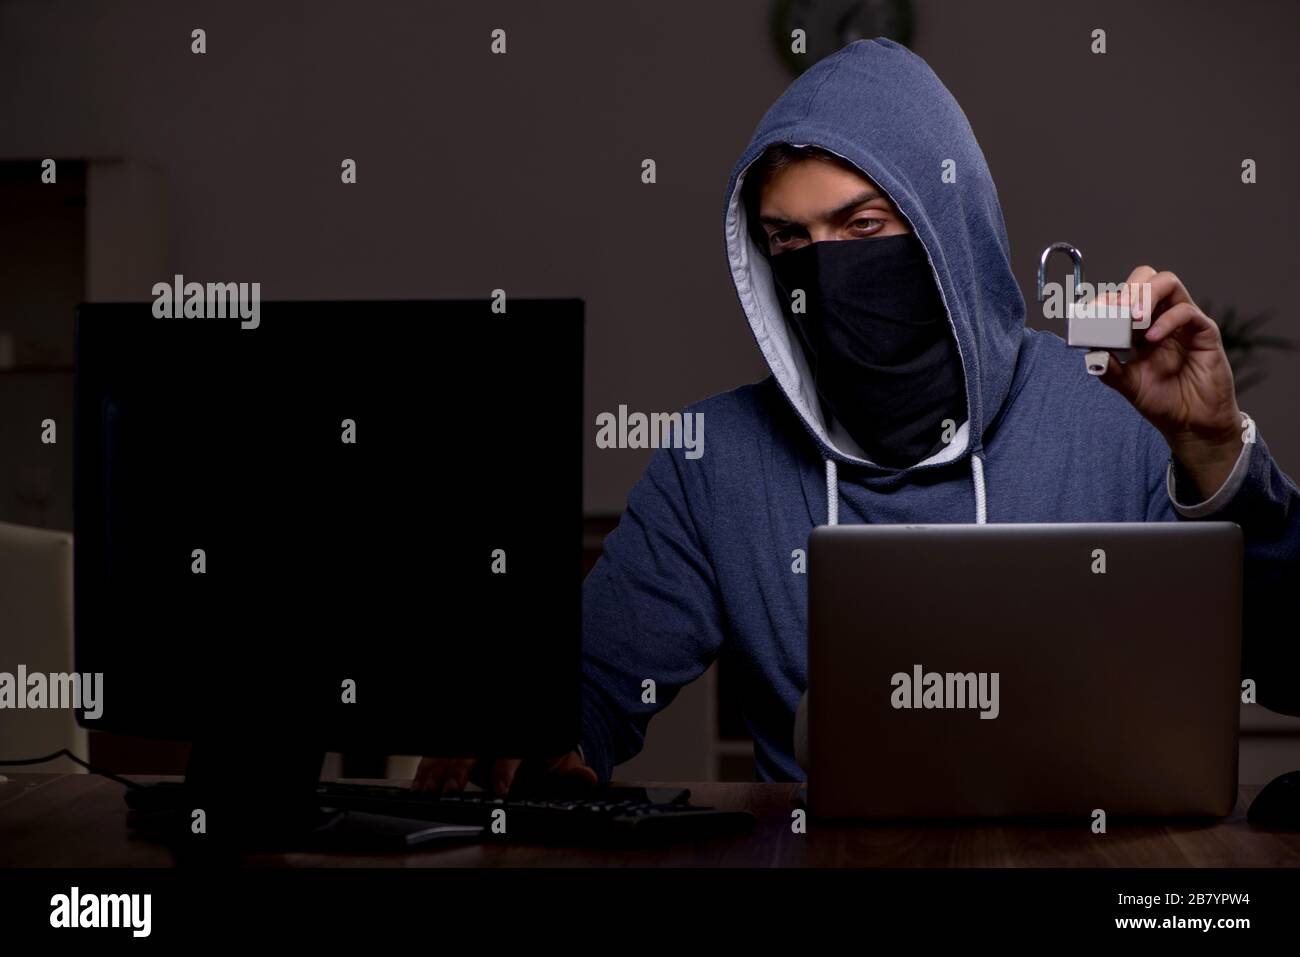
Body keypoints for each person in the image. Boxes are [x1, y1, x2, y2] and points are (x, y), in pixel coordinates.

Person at [415, 38, 1300, 794]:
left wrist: (1214, 452)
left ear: (947, 229)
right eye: (790, 242)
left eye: (864, 227)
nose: (824, 270)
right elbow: (591, 686)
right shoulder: (712, 460)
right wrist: (525, 731)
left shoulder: (1118, 419)